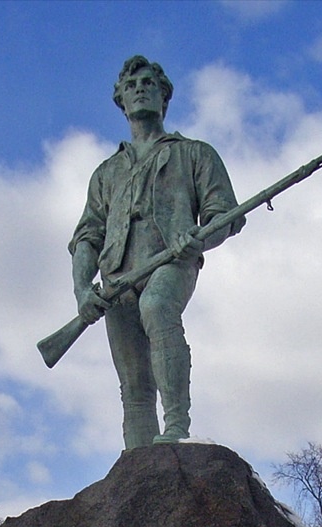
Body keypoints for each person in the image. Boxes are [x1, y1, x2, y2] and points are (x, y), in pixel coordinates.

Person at [69, 55, 244, 449]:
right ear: (122, 102)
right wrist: (83, 289)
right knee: (134, 382)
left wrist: (199, 237)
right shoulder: (106, 172)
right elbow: (86, 236)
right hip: (116, 278)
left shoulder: (195, 153)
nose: (140, 89)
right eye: (131, 86)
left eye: (148, 83)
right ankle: (135, 466)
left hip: (171, 260)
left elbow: (225, 215)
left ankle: (177, 427)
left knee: (158, 306)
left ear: (164, 97)